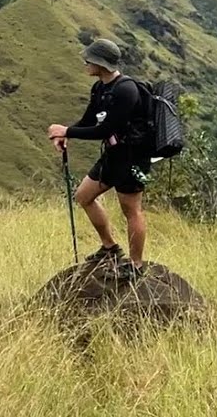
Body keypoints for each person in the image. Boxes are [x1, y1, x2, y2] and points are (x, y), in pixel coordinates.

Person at [47, 38, 152, 279]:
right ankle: (110, 248)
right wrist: (66, 134)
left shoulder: (126, 90)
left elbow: (105, 129)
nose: (85, 63)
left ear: (101, 63)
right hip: (113, 155)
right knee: (83, 196)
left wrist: (66, 131)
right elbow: (88, 121)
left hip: (132, 157)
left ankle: (135, 265)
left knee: (131, 210)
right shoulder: (100, 88)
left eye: (89, 60)